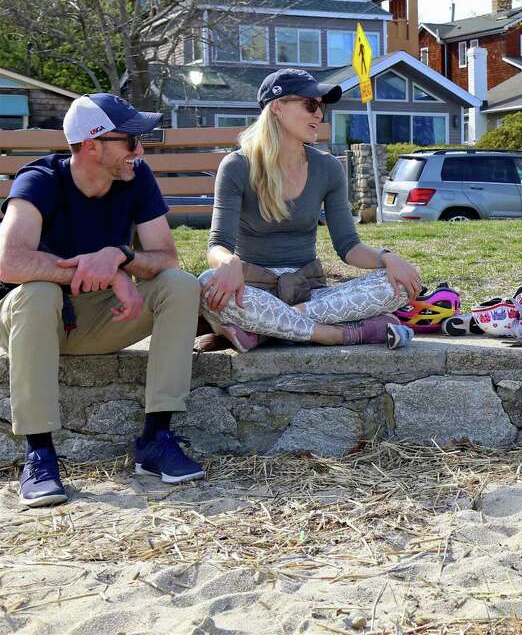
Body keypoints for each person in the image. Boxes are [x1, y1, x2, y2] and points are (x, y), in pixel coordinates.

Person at [0, 93, 204, 508]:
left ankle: (155, 438)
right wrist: (108, 273)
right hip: (36, 321)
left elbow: (166, 258)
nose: (139, 151)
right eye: (130, 140)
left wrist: (120, 256)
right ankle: (39, 454)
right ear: (92, 144)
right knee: (37, 292)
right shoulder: (39, 180)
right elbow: (10, 263)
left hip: (103, 316)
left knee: (181, 285)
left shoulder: (136, 176)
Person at [199, 68, 420, 352]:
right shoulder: (237, 166)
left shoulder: (328, 168)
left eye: (321, 106)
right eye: (310, 105)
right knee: (206, 283)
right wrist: (227, 262)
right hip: (252, 292)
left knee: (398, 284)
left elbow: (349, 247)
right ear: (277, 107)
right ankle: (336, 334)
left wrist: (387, 258)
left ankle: (266, 329)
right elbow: (218, 244)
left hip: (309, 295)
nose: (319, 114)